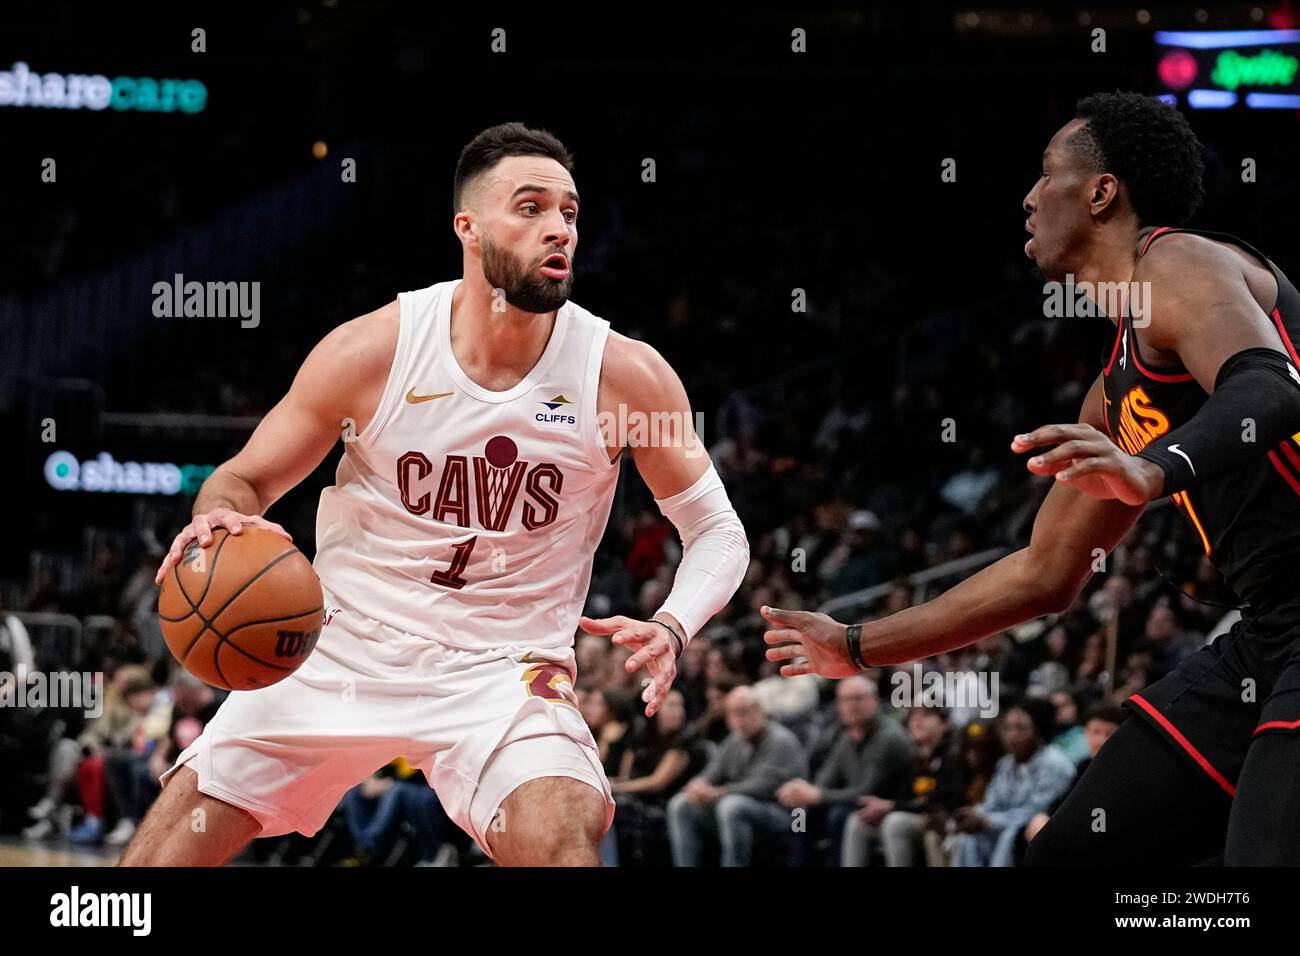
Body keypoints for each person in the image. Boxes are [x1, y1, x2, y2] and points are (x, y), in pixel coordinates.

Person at [121, 122, 749, 867]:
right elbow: (244, 478)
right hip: (341, 644)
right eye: (531, 207)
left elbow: (718, 529)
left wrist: (674, 625)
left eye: (570, 213)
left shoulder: (623, 374)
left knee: (565, 837)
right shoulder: (374, 350)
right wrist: (217, 514)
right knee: (165, 851)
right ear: (469, 227)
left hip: (503, 668)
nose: (559, 228)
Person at [762, 91, 1300, 865]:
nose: (1028, 196)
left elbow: (1273, 386)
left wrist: (1150, 470)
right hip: (1268, 632)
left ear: (1101, 192)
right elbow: (1045, 574)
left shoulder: (1177, 260)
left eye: (1046, 173)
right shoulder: (1114, 387)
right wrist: (856, 644)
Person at [774, 675, 912, 865]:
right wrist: (803, 793)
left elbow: (866, 791)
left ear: (874, 700)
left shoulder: (889, 737)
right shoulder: (847, 737)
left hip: (887, 806)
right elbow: (825, 781)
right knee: (802, 813)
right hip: (850, 802)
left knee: (838, 816)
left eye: (858, 698)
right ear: (838, 705)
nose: (852, 705)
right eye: (846, 700)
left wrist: (816, 795)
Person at [667, 686, 807, 866]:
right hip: (741, 807)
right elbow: (714, 770)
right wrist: (697, 785)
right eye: (733, 714)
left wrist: (717, 793)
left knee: (731, 806)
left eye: (743, 712)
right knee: (681, 804)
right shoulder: (735, 741)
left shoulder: (781, 740)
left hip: (787, 813)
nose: (738, 720)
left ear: (759, 710)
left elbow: (763, 787)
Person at [951, 702, 1075, 867]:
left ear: (1036, 730)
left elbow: (1036, 812)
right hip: (1006, 825)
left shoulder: (1055, 764)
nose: (1013, 735)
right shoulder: (1006, 763)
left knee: (1008, 835)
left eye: (1020, 728)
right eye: (1007, 728)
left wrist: (987, 821)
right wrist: (972, 814)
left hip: (1041, 831)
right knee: (970, 836)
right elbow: (993, 803)